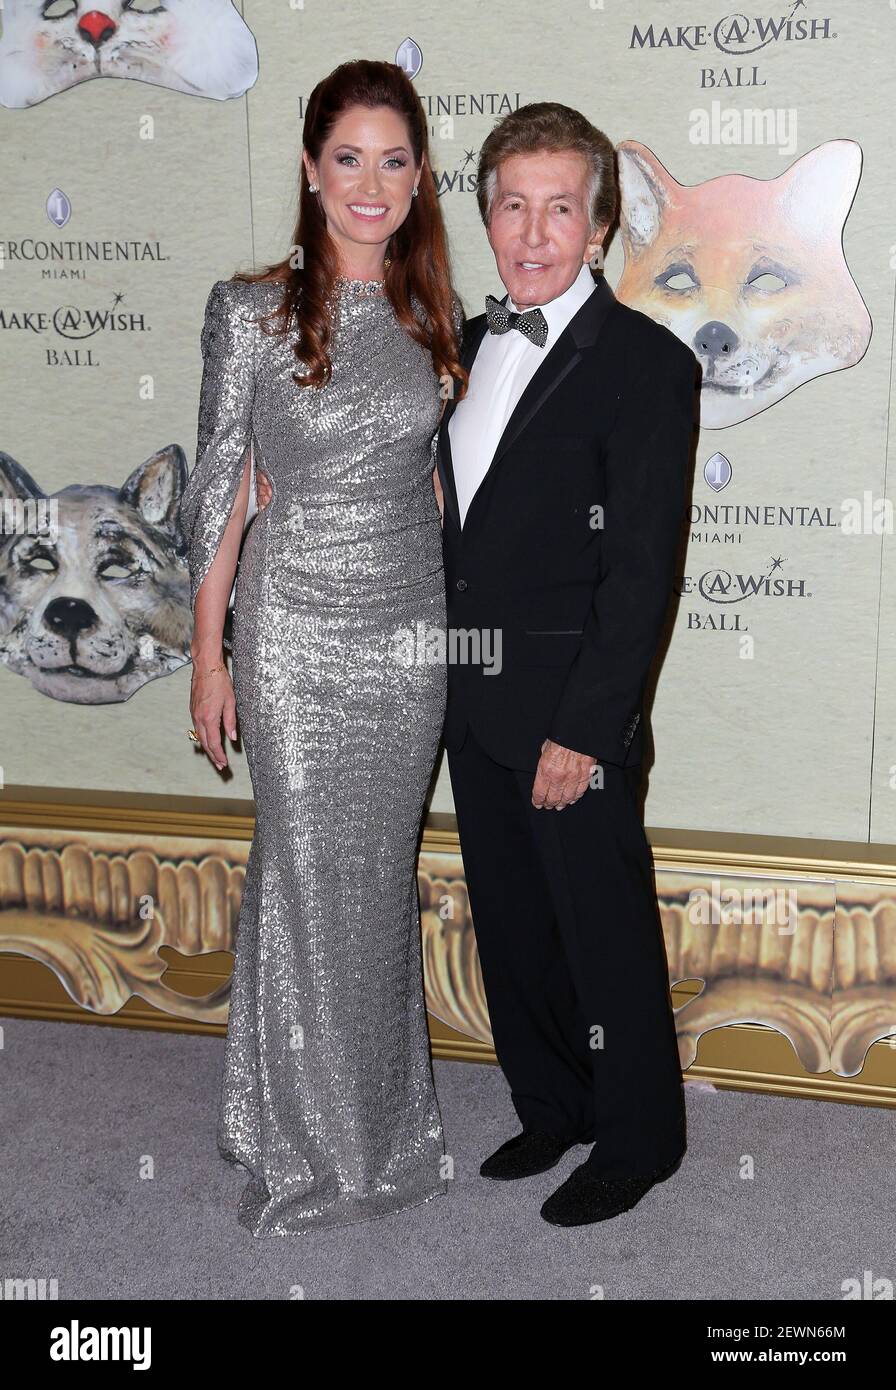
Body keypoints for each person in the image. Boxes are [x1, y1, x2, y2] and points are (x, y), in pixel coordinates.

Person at [180, 58, 465, 1236]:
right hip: (293, 633)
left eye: (393, 161)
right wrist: (210, 658)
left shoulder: (430, 312)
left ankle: (383, 1134)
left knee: (370, 883)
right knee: (303, 879)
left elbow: (442, 487)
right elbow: (216, 498)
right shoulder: (246, 312)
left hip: (408, 638)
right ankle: (299, 1145)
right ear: (309, 169)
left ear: (416, 180)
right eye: (348, 157)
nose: (370, 182)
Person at [435, 103, 698, 1226]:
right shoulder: (454, 341)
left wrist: (584, 730)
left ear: (598, 226)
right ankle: (549, 1103)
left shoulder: (645, 364)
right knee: (511, 922)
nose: (532, 232)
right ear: (485, 214)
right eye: (510, 204)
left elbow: (641, 576)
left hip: (569, 710)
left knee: (601, 927)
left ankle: (637, 1136)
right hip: (466, 694)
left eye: (559, 208)